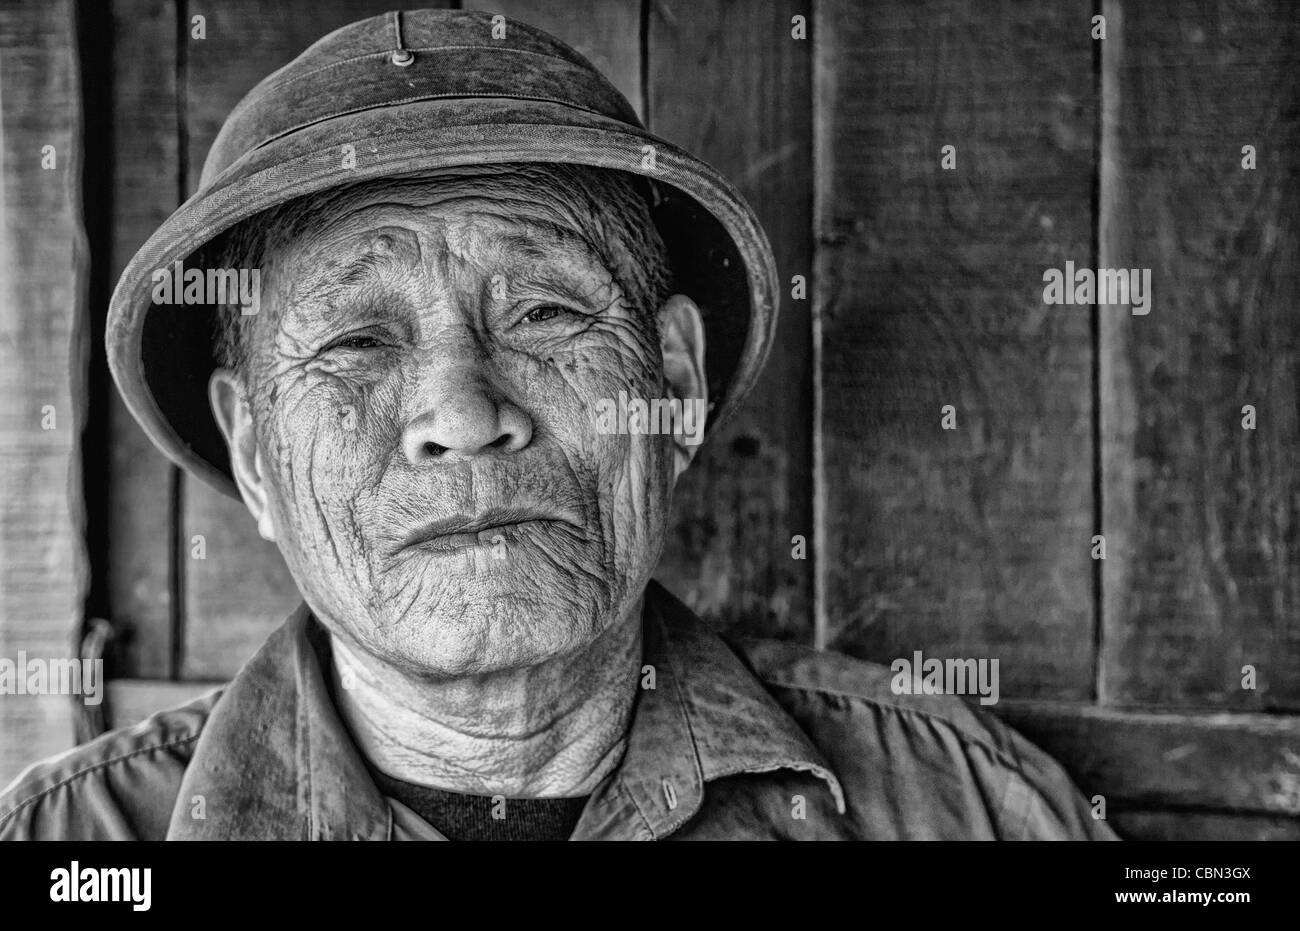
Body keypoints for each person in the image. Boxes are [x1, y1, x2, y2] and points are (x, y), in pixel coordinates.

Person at [0, 8, 1115, 840]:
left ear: (670, 381)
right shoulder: (69, 845)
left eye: (544, 312)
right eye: (355, 343)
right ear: (252, 451)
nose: (463, 415)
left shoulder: (968, 810)